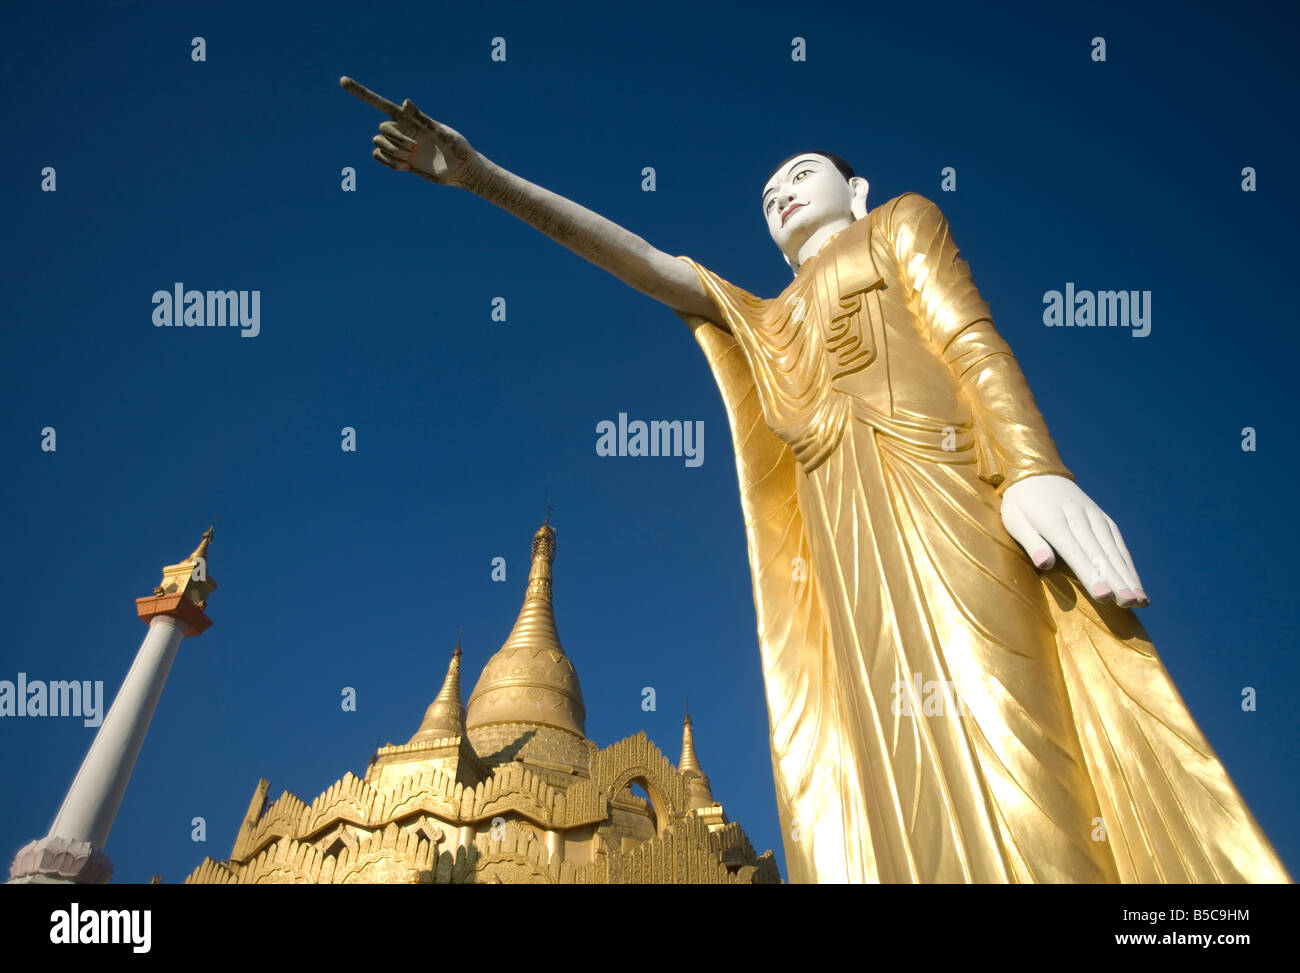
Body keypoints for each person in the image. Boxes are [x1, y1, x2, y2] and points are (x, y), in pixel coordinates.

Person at [342, 77, 1291, 884]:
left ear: (857, 186)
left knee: (1010, 728)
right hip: (844, 552)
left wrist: (1036, 469)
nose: (781, 195)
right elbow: (649, 265)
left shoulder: (900, 225)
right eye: (764, 195)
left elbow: (972, 343)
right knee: (892, 768)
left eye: (801, 175)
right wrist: (481, 178)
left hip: (947, 493)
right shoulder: (765, 316)